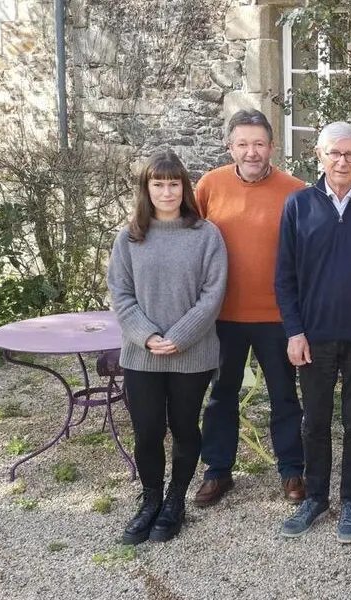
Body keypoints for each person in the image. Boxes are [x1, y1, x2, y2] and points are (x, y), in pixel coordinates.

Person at [275, 122, 351, 543]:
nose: (343, 161)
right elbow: (284, 277)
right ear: (319, 157)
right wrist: (294, 332)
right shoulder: (298, 206)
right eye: (334, 153)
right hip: (314, 337)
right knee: (314, 421)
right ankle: (316, 497)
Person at [107, 148, 228, 544]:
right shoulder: (129, 237)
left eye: (173, 183)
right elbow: (120, 294)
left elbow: (213, 294)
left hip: (191, 354)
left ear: (184, 187)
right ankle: (151, 499)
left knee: (184, 428)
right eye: (157, 184)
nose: (166, 191)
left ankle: (175, 500)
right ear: (146, 189)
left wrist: (179, 336)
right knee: (146, 431)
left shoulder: (206, 235)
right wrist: (148, 335)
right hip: (142, 354)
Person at [194, 109, 307, 507]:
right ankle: (217, 471)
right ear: (230, 147)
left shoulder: (296, 190)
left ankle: (292, 470)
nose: (251, 151)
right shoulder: (210, 185)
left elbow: (308, 254)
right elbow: (188, 240)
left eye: (259, 143)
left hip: (277, 316)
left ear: (271, 147)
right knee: (221, 396)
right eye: (242, 144)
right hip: (222, 315)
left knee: (283, 396)